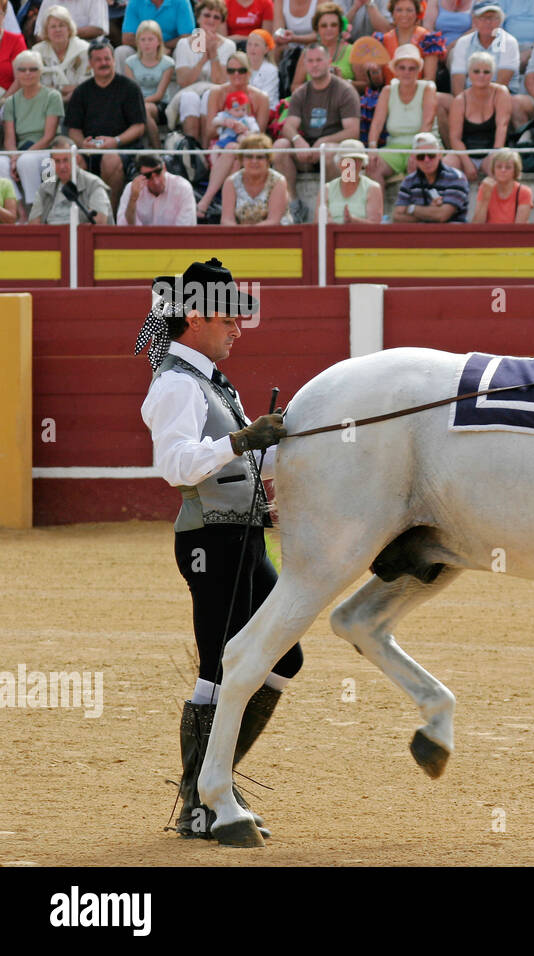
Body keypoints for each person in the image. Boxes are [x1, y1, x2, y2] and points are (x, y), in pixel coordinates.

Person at [134, 257, 298, 840]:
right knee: (216, 671)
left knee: (283, 657)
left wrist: (297, 441)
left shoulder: (205, 380)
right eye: (230, 317)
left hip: (243, 535)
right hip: (211, 540)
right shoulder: (177, 382)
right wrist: (240, 438)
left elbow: (245, 458)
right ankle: (200, 805)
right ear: (197, 315)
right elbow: (176, 465)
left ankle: (213, 783)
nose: (238, 328)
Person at [272, 41, 361, 210]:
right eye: (310, 61)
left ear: (329, 62)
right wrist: (298, 140)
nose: (314, 65)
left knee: (329, 152)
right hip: (307, 151)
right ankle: (292, 204)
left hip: (334, 150)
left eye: (319, 60)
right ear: (304, 64)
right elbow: (288, 126)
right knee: (280, 146)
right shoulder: (301, 93)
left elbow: (353, 131)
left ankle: (334, 203)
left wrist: (324, 141)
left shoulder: (345, 91)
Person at [65, 38, 146, 207]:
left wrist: (115, 141)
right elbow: (73, 130)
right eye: (98, 60)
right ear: (90, 64)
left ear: (114, 60)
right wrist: (83, 144)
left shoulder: (130, 88)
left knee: (110, 160)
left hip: (124, 148)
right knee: (72, 161)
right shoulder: (81, 91)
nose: (104, 63)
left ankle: (109, 216)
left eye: (107, 59)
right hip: (90, 149)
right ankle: (81, 214)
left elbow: (139, 127)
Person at [197, 51, 273, 217]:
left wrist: (244, 131)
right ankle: (232, 209)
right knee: (231, 152)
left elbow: (260, 138)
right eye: (231, 71)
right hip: (220, 145)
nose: (236, 74)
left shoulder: (261, 98)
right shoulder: (217, 93)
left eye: (241, 70)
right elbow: (209, 131)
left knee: (234, 151)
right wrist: (225, 124)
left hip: (247, 146)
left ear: (249, 71)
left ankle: (207, 202)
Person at [1, 49, 63, 209]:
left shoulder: (52, 96)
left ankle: (36, 211)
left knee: (27, 162)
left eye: (33, 69)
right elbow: (9, 139)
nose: (27, 73)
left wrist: (20, 157)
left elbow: (48, 136)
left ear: (40, 71)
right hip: (20, 150)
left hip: (47, 149)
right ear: (17, 73)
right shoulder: (11, 102)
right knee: (1, 163)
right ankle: (18, 211)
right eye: (22, 69)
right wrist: (14, 158)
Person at [367, 43, 437, 180]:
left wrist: (417, 151)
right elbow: (376, 124)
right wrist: (372, 149)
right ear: (395, 70)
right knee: (372, 168)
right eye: (402, 68)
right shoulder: (387, 91)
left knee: (420, 167)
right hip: (394, 149)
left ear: (418, 71)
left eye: (412, 68)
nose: (407, 72)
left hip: (424, 148)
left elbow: (427, 124)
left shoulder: (428, 88)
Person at [169, 0, 237, 138]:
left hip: (214, 95)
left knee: (209, 95)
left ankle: (206, 151)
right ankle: (193, 150)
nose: (211, 20)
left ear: (221, 21)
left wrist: (214, 56)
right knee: (190, 98)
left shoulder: (229, 46)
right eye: (207, 15)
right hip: (189, 91)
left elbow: (220, 82)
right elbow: (183, 82)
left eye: (216, 17)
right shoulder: (183, 44)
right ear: (198, 17)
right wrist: (203, 59)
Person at [445, 48, 508, 180]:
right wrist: (467, 163)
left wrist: (495, 155)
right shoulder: (460, 100)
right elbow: (455, 138)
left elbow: (502, 126)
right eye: (476, 71)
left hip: (492, 151)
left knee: (500, 166)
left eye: (486, 72)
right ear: (469, 73)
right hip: (465, 154)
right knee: (446, 165)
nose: (481, 75)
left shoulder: (501, 93)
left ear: (492, 74)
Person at [28, 135, 113, 222]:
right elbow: (34, 226)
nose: (62, 166)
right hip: (51, 234)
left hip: (81, 235)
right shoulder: (45, 189)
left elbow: (99, 224)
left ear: (76, 159)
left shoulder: (94, 184)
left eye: (65, 160)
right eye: (57, 161)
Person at [393, 130, 469, 220]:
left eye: (431, 155)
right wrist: (431, 213)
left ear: (440, 154)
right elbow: (397, 217)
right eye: (421, 156)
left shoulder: (456, 178)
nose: (426, 160)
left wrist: (411, 208)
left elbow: (442, 215)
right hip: (420, 233)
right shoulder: (409, 181)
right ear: (414, 158)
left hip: (452, 233)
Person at [222, 131, 295, 223]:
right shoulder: (231, 182)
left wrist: (248, 234)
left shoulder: (278, 181)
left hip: (277, 233)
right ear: (242, 159)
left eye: (260, 157)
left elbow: (273, 220)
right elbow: (226, 219)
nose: (254, 161)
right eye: (249, 156)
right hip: (242, 234)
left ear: (268, 159)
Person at [122, 19, 172, 147]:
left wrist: (140, 104)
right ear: (137, 42)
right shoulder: (129, 63)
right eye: (143, 40)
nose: (146, 43)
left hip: (159, 105)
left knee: (145, 109)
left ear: (159, 41)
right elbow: (133, 91)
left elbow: (159, 95)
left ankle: (157, 151)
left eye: (150, 39)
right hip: (136, 102)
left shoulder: (168, 63)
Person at [449, 1, 518, 93]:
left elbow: (502, 82)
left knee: (519, 102)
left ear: (501, 21)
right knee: (440, 100)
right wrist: (464, 103)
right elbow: (457, 80)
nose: (488, 22)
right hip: (469, 95)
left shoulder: (509, 42)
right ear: (474, 21)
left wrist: (484, 104)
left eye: (493, 18)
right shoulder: (463, 42)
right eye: (483, 17)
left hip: (501, 96)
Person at [117, 150, 197, 223]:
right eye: (148, 176)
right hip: (142, 238)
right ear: (140, 176)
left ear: (164, 168)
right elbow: (125, 227)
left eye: (158, 172)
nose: (156, 181)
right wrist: (133, 199)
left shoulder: (182, 187)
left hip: (175, 238)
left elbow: (185, 229)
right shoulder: (131, 189)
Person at [374, 0, 444, 83]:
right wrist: (375, 72)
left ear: (417, 13)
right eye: (399, 10)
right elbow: (377, 83)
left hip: (419, 92)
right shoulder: (383, 40)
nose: (404, 14)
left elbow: (429, 79)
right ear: (392, 13)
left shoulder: (428, 39)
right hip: (389, 91)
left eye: (409, 10)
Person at [33, 5, 91, 101]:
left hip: (80, 100)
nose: (58, 30)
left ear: (69, 29)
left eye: (61, 25)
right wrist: (61, 91)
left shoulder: (84, 49)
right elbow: (34, 85)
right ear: (46, 31)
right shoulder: (37, 52)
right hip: (45, 102)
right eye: (53, 26)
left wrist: (65, 93)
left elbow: (88, 83)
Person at [290, 2, 355, 88]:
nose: (329, 29)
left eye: (334, 25)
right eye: (324, 26)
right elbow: (295, 86)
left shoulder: (352, 51)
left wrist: (343, 82)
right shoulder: (307, 52)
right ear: (317, 29)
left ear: (340, 27)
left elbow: (365, 85)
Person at [320, 137, 383, 220]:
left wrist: (353, 221)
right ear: (339, 163)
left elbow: (375, 226)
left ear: (363, 163)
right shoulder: (326, 189)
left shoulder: (373, 188)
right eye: (348, 160)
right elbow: (317, 224)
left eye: (357, 160)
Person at [471, 146, 532, 221]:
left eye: (508, 167)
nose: (503, 170)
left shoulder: (524, 192)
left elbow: (519, 229)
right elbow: (477, 226)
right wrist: (485, 200)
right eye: (499, 167)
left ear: (515, 170)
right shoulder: (486, 187)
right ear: (493, 169)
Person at [121, 0, 196, 52]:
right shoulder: (135, 2)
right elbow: (127, 38)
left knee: (184, 47)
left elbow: (187, 36)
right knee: (122, 51)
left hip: (171, 49)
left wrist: (161, 48)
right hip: (142, 49)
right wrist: (153, 48)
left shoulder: (181, 1)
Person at [34, 0, 108, 41]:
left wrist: (65, 33)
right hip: (52, 47)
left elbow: (98, 28)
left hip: (87, 46)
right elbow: (39, 33)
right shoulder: (48, 1)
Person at [244, 28, 282, 98]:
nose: (252, 48)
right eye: (249, 44)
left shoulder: (271, 70)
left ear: (266, 49)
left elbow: (267, 97)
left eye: (256, 45)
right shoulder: (241, 65)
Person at [0, 0, 27, 95]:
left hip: (7, 101)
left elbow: (21, 77)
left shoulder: (16, 41)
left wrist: (4, 101)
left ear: (4, 16)